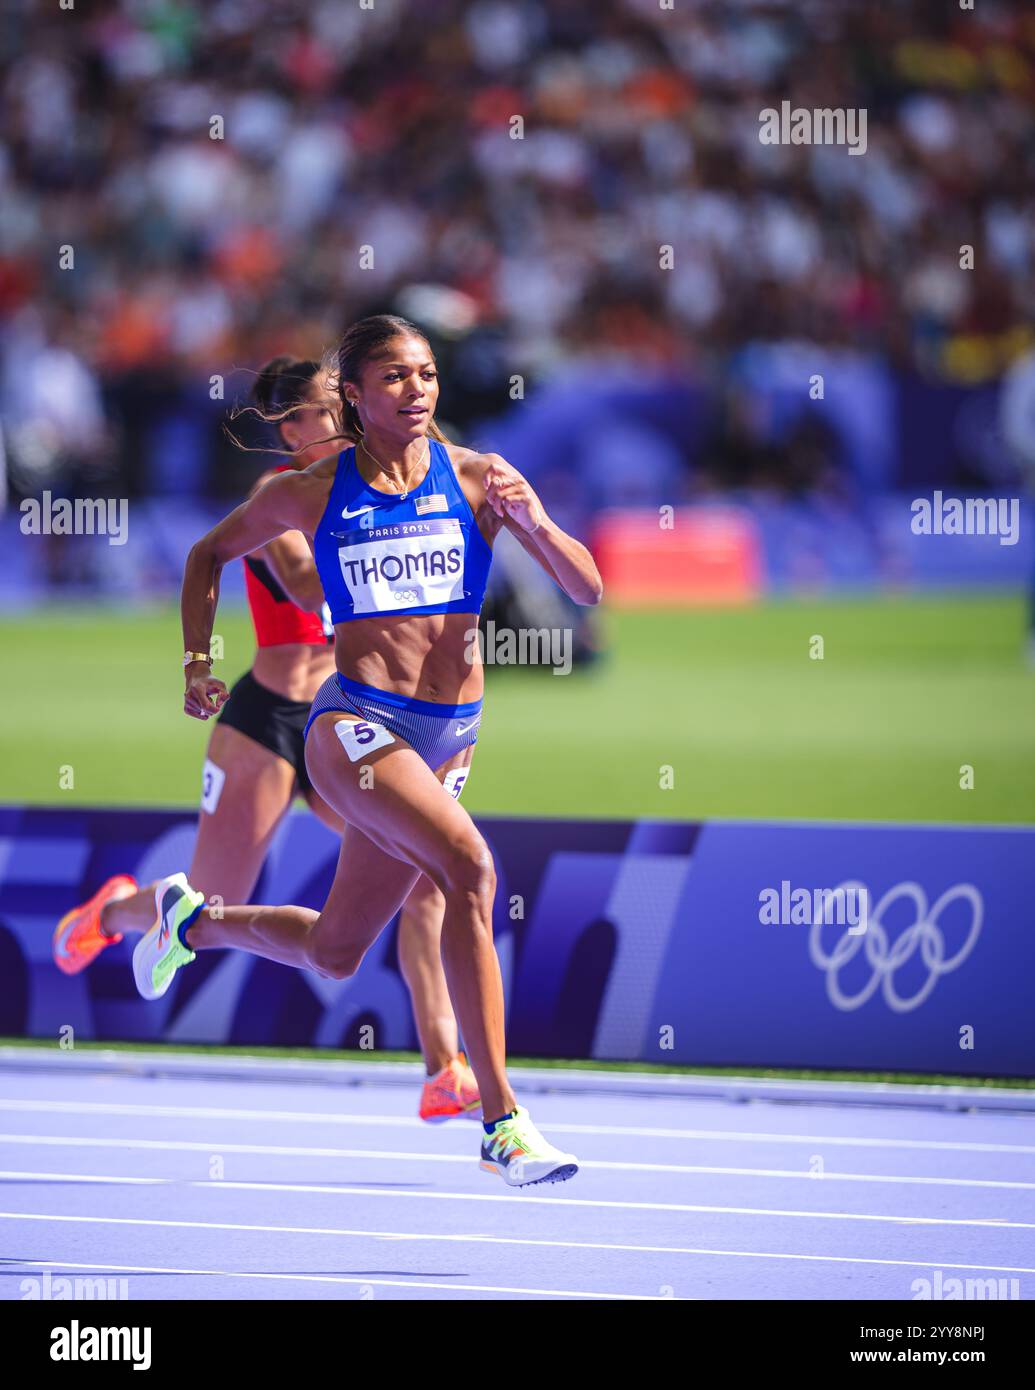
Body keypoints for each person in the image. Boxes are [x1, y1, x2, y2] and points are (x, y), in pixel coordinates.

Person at [130, 313, 602, 1186]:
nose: (415, 389)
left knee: (336, 950)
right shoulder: (308, 492)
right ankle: (501, 1121)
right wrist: (198, 662)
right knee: (467, 868)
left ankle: (190, 920)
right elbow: (205, 556)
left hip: (449, 739)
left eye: (425, 374)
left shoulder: (479, 477)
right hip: (352, 728)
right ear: (352, 394)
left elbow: (586, 585)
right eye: (393, 377)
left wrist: (534, 521)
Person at [52, 354, 480, 1124]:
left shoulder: (396, 475)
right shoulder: (282, 495)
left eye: (321, 410)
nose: (311, 428)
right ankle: (113, 914)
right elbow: (312, 586)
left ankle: (444, 1066)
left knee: (421, 879)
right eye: (293, 420)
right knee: (216, 897)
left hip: (353, 722)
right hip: (271, 716)